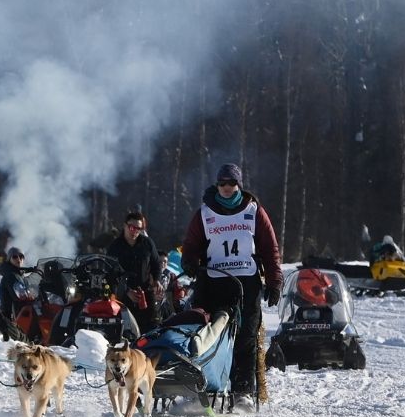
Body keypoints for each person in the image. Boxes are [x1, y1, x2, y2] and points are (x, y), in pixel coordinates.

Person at [181, 163, 282, 401]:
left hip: (247, 281)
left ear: (239, 185)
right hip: (213, 281)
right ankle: (202, 386)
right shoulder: (205, 213)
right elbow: (191, 244)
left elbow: (270, 248)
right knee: (207, 332)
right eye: (222, 183)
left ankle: (242, 390)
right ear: (217, 185)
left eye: (231, 183)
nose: (227, 188)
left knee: (246, 334)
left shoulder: (254, 211)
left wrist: (275, 281)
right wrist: (189, 261)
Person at [106, 211, 163, 333]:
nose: (135, 231)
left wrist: (157, 280)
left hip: (146, 293)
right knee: (126, 329)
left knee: (152, 327)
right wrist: (126, 290)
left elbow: (156, 263)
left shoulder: (147, 243)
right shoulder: (115, 247)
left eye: (139, 228)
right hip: (124, 296)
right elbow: (111, 273)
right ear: (125, 226)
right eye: (132, 227)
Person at [0, 247, 29, 321]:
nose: (19, 259)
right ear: (9, 259)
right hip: (12, 318)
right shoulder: (11, 275)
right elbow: (20, 296)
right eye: (15, 257)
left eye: (21, 256)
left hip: (18, 314)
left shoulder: (19, 275)